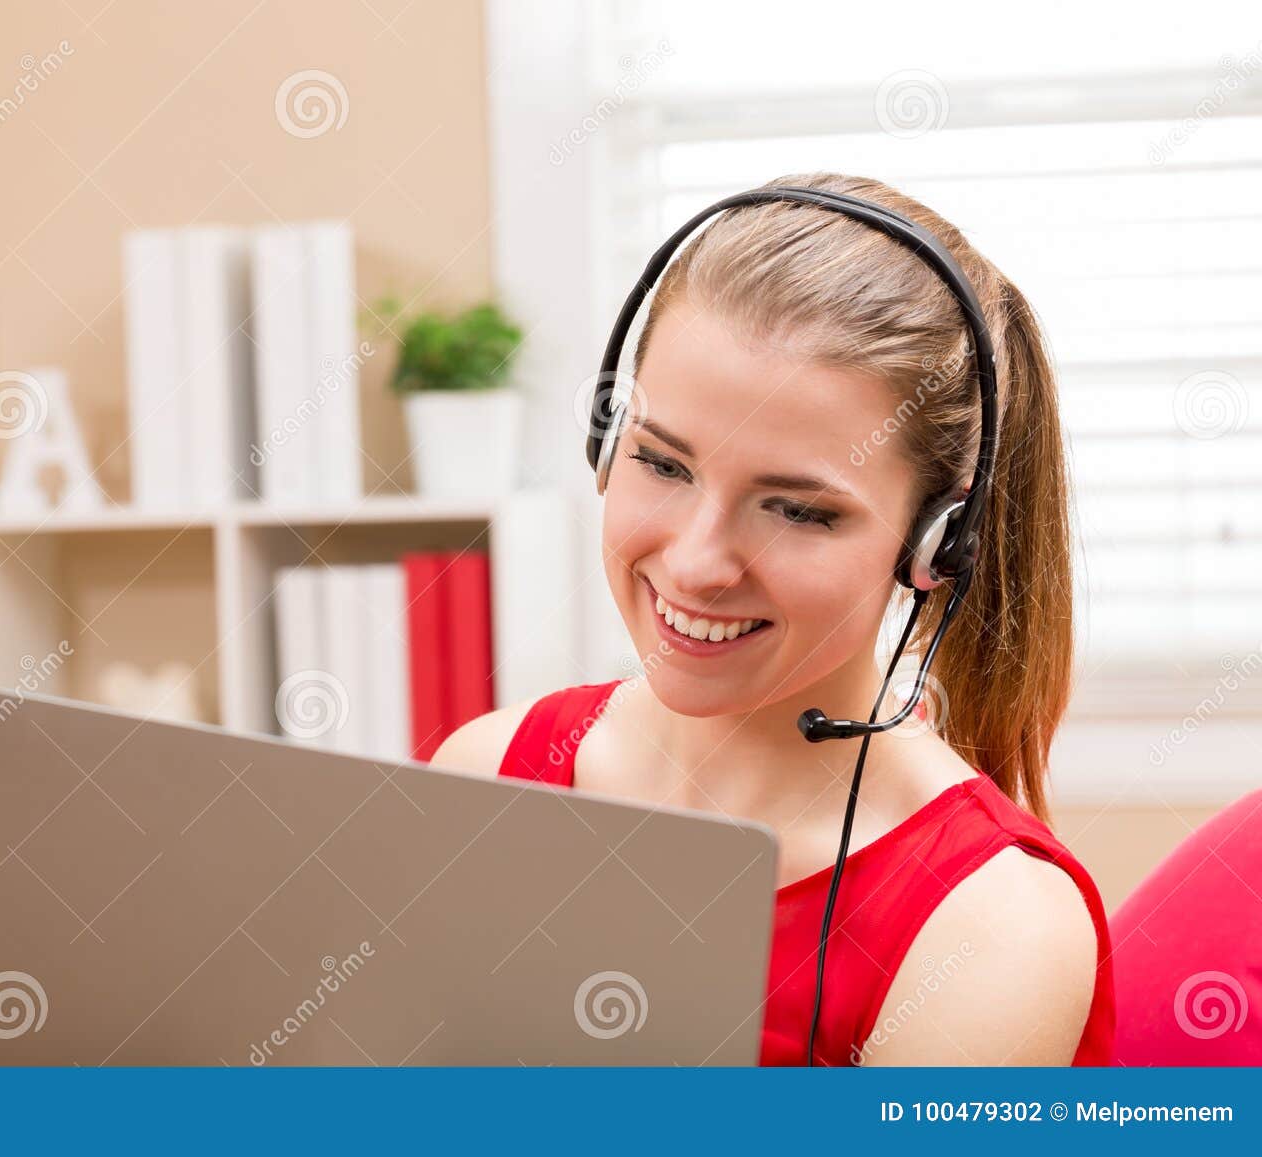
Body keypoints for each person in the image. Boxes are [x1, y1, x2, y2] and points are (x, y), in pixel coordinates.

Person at [432, 172, 1115, 1066]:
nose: (694, 562)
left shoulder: (992, 928)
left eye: (796, 510)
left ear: (937, 545)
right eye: (663, 465)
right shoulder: (484, 780)